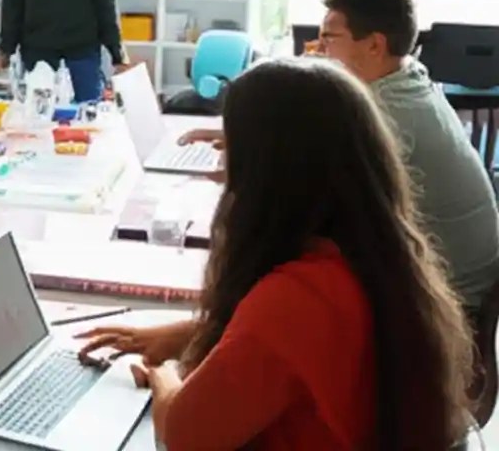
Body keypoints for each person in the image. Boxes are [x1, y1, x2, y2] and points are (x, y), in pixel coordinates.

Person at [80, 57, 474, 450]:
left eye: (231, 146)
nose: (222, 160)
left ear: (267, 166)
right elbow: (300, 348)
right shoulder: (369, 252)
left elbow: (184, 436)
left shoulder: (296, 297)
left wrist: (163, 373)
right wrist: (190, 334)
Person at [182, 0, 499, 312]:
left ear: (375, 45)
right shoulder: (405, 78)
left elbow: (313, 198)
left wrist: (248, 171)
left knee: (274, 274)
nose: (319, 51)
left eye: (328, 39)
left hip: (450, 299)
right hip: (451, 276)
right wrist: (247, 137)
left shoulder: (390, 115)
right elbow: (322, 137)